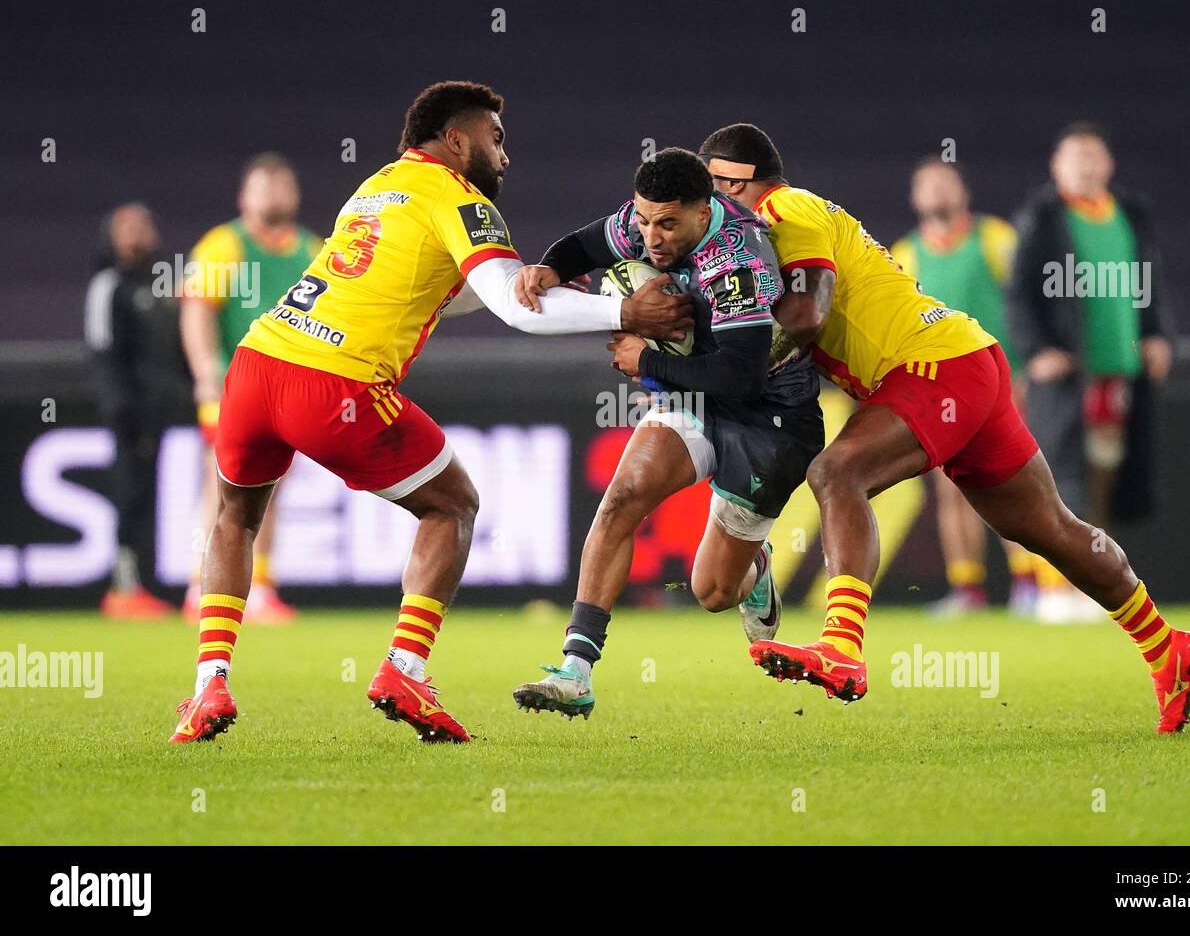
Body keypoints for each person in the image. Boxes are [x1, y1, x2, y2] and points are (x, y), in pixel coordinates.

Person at [168, 81, 690, 745]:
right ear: (456, 140)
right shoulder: (459, 196)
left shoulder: (380, 185)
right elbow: (512, 310)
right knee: (453, 505)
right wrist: (624, 312)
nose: (504, 155)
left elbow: (428, 295)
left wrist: (530, 277)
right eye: (494, 139)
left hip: (256, 366)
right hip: (334, 384)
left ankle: (208, 684)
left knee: (235, 518)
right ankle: (404, 669)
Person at [698, 123, 1190, 734]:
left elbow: (807, 314)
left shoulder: (787, 207)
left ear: (738, 182)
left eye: (711, 191)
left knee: (836, 471)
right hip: (961, 361)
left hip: (935, 367)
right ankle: (1167, 646)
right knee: (1049, 528)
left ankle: (841, 645)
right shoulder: (768, 233)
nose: (705, 210)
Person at [511, 148, 823, 719]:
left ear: (705, 213)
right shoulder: (649, 222)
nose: (651, 237)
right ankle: (575, 670)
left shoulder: (736, 262)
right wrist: (549, 269)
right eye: (644, 219)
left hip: (770, 415)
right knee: (623, 496)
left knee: (710, 593)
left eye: (667, 224)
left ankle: (753, 568)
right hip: (693, 395)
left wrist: (644, 361)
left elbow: (741, 374)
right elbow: (584, 244)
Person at [1007, 123, 1175, 623]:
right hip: (1067, 375)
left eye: (1093, 156)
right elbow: (1017, 292)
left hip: (1119, 371)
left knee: (1109, 475)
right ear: (1056, 167)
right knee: (1059, 475)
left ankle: (1102, 583)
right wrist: (1036, 350)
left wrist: (1158, 334)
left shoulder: (1130, 214)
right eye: (1074, 157)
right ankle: (1056, 588)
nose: (1085, 165)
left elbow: (1151, 280)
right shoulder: (1041, 218)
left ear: (1109, 164)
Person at [890, 158, 1038, 617]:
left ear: (963, 192)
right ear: (915, 198)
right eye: (927, 185)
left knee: (1011, 482)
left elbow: (1030, 300)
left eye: (945, 183)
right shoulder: (905, 253)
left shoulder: (995, 239)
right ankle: (967, 590)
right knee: (950, 490)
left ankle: (1031, 587)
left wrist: (1028, 367)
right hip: (939, 390)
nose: (936, 193)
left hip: (1001, 382)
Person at [179, 154, 321, 624]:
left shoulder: (311, 249)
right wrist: (205, 371)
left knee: (272, 484)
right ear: (245, 197)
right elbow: (198, 308)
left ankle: (259, 584)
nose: (275, 194)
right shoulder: (227, 244)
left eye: (283, 184)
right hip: (232, 387)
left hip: (289, 389)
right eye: (265, 186)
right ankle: (202, 584)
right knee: (221, 487)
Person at [85, 203, 179, 620]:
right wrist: (120, 408)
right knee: (129, 492)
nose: (137, 233)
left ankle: (140, 583)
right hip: (130, 414)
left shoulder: (165, 287)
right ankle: (123, 586)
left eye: (143, 224)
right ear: (111, 236)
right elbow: (103, 352)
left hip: (162, 412)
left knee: (151, 496)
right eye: (127, 227)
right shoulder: (109, 285)